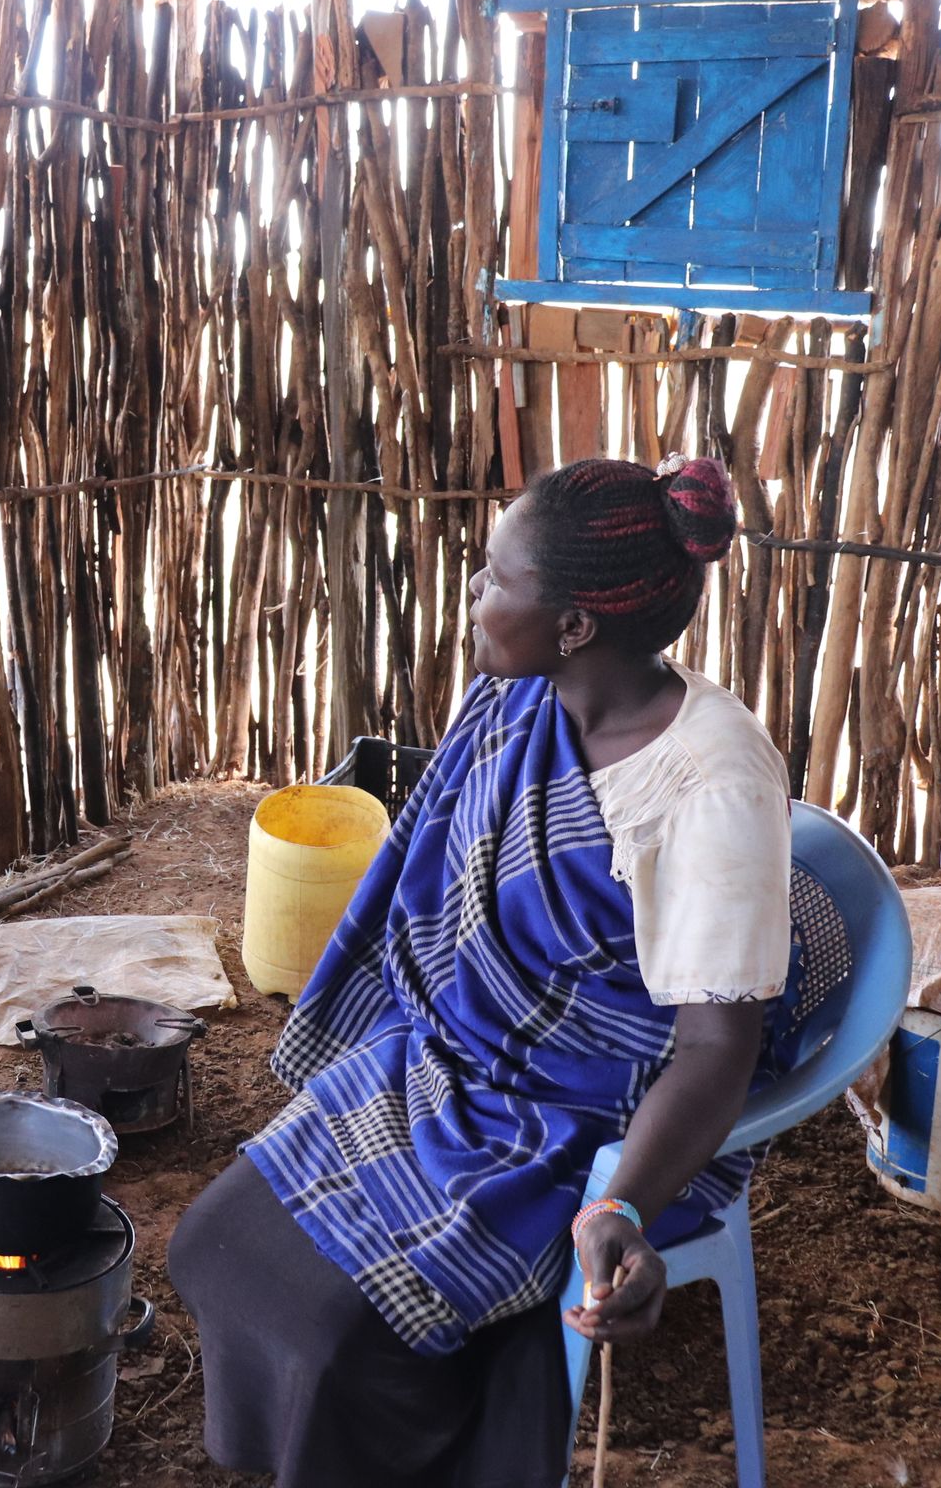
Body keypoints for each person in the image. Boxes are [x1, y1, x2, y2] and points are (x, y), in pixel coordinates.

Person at [168, 455, 804, 1487]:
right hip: (457, 1053)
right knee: (214, 1243)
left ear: (574, 625)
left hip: (598, 1109)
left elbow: (716, 1044)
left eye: (497, 576)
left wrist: (619, 1207)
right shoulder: (523, 702)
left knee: (343, 1335)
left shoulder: (711, 783)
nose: (474, 590)